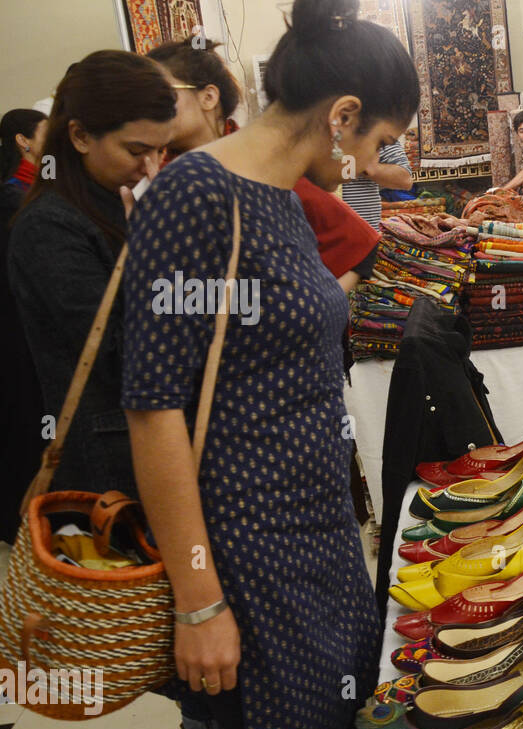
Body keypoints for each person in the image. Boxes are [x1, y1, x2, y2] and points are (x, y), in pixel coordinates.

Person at [119, 0, 418, 729]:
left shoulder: (283, 200)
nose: (371, 162)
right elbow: (154, 409)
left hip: (319, 543)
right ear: (343, 114)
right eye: (375, 140)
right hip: (248, 557)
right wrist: (201, 597)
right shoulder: (193, 195)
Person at [8, 52, 175, 501]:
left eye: (161, 150)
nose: (151, 167)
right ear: (80, 136)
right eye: (136, 151)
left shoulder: (120, 202)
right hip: (111, 471)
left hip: (153, 444)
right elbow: (122, 351)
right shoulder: (49, 226)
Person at [148, 39, 379, 291]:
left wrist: (320, 308)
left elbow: (360, 245)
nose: (149, 108)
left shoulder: (262, 167)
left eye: (162, 94)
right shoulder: (151, 172)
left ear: (208, 97)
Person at [0, 107, 48, 544]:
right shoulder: (15, 195)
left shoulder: (33, 187)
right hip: (18, 328)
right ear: (22, 140)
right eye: (44, 132)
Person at [340, 133, 412, 230]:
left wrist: (368, 166)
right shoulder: (316, 130)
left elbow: (405, 179)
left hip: (362, 233)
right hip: (317, 233)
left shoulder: (373, 129)